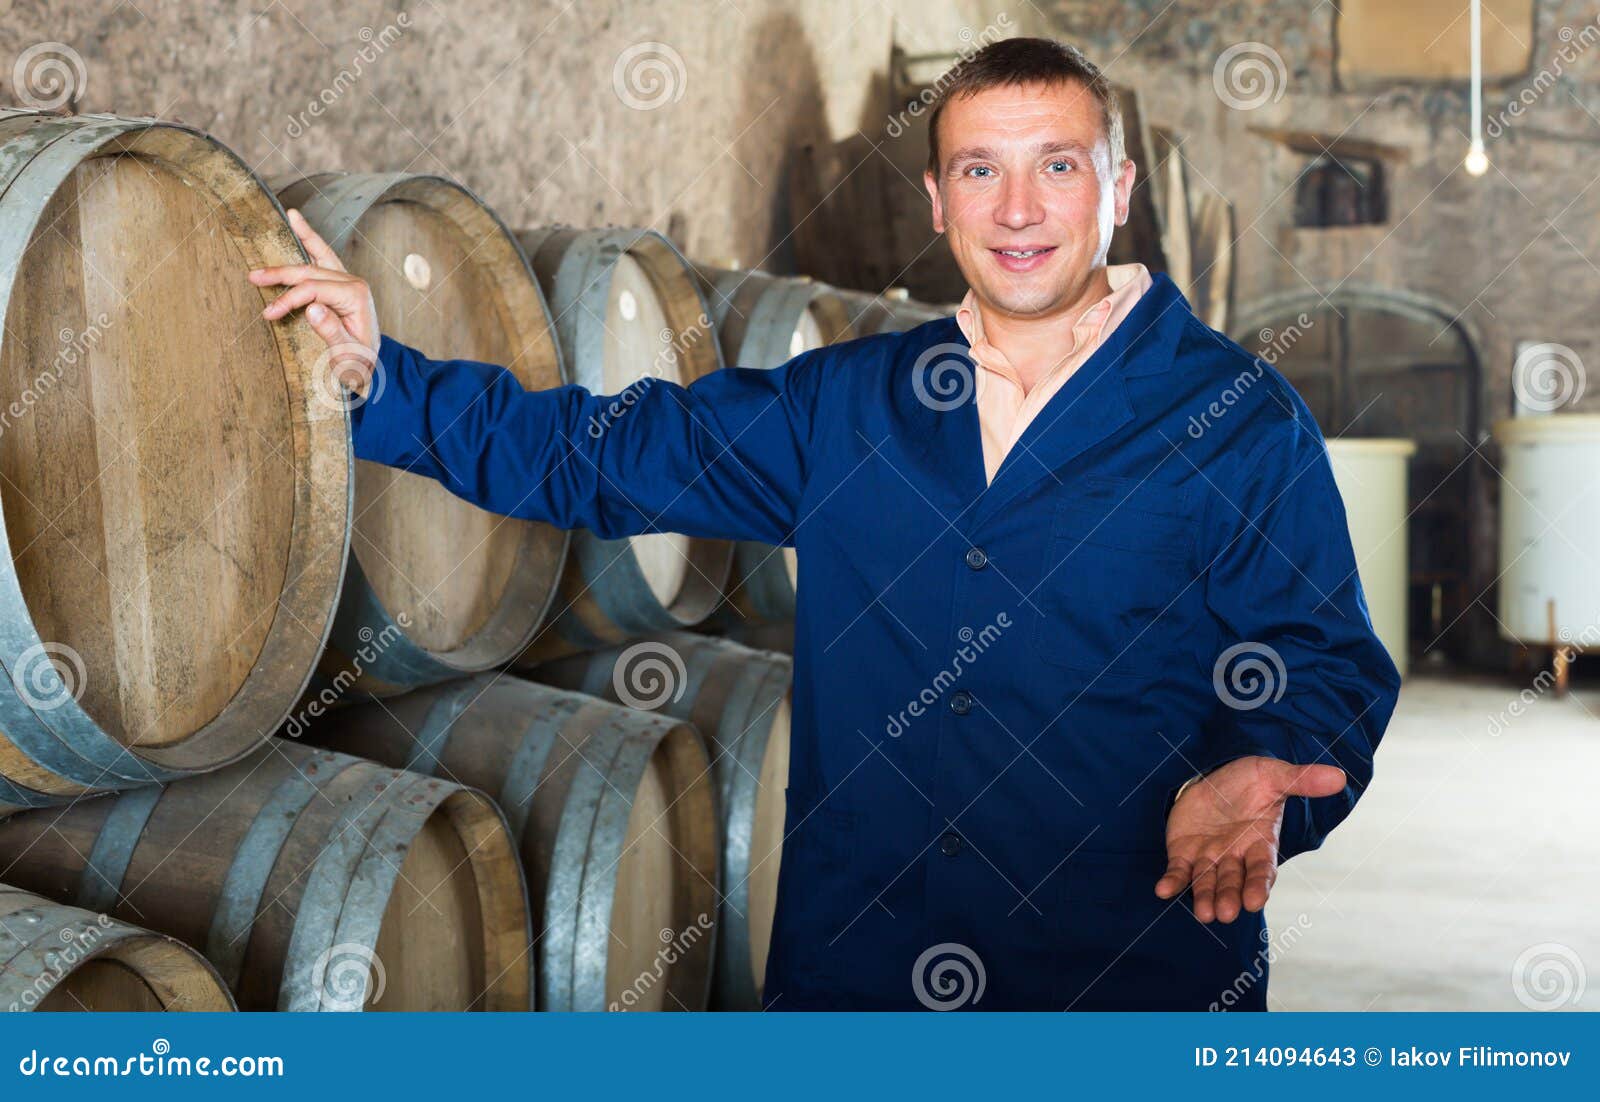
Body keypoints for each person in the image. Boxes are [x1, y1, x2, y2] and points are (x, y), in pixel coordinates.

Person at [249, 36, 1400, 1011]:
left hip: (1123, 973)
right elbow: (597, 456)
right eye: (979, 171)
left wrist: (1264, 769)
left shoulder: (1237, 420)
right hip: (863, 970)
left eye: (1057, 165)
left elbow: (1327, 662)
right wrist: (382, 379)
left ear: (1119, 187)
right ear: (937, 201)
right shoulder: (851, 403)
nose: (1019, 210)